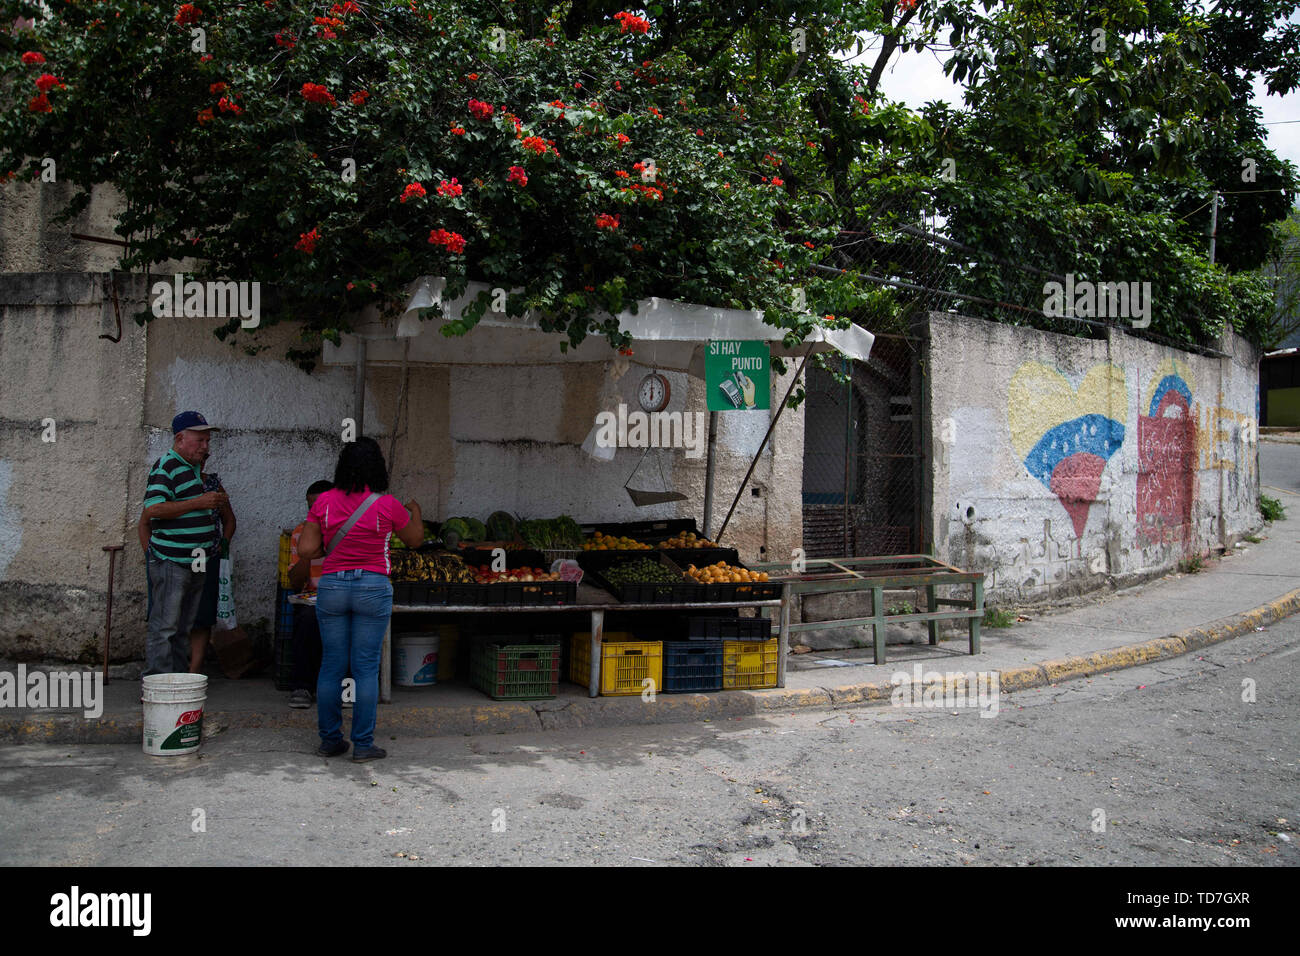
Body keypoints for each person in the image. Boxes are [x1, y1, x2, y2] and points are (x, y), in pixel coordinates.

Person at [295, 438, 423, 761]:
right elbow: (415, 540)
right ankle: (363, 744)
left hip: (333, 587)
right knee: (366, 668)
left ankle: (330, 740)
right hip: (372, 587)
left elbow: (307, 551)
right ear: (376, 468)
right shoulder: (387, 504)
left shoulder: (323, 502)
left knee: (331, 665)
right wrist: (416, 513)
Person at [140, 411, 227, 676]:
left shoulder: (193, 469)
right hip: (172, 560)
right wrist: (199, 503)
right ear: (180, 439)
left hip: (196, 560)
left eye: (207, 441)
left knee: (182, 628)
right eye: (200, 440)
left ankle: (176, 681)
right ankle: (156, 682)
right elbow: (153, 509)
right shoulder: (167, 465)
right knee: (164, 627)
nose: (205, 446)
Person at [286, 480, 333, 709]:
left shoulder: (348, 532)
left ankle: (346, 686)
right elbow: (294, 582)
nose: (315, 513)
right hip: (312, 598)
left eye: (320, 507)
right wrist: (308, 551)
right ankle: (302, 686)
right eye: (311, 508)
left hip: (343, 595)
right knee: (307, 619)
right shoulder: (300, 532)